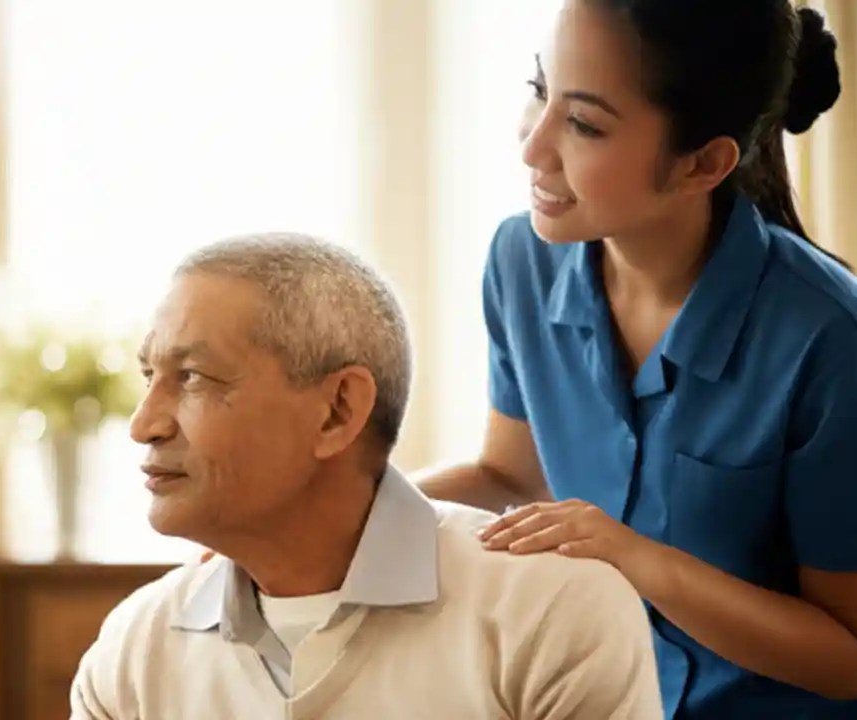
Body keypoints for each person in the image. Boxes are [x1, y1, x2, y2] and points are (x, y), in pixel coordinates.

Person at [415, 1, 857, 718]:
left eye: (585, 124)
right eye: (540, 90)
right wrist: (347, 503)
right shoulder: (523, 263)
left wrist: (630, 555)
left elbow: (850, 657)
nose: (533, 147)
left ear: (703, 162)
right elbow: (513, 475)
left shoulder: (843, 347)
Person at [70, 234, 663, 719]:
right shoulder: (133, 649)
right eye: (149, 375)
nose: (144, 424)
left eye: (194, 377)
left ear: (337, 411)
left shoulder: (549, 609)